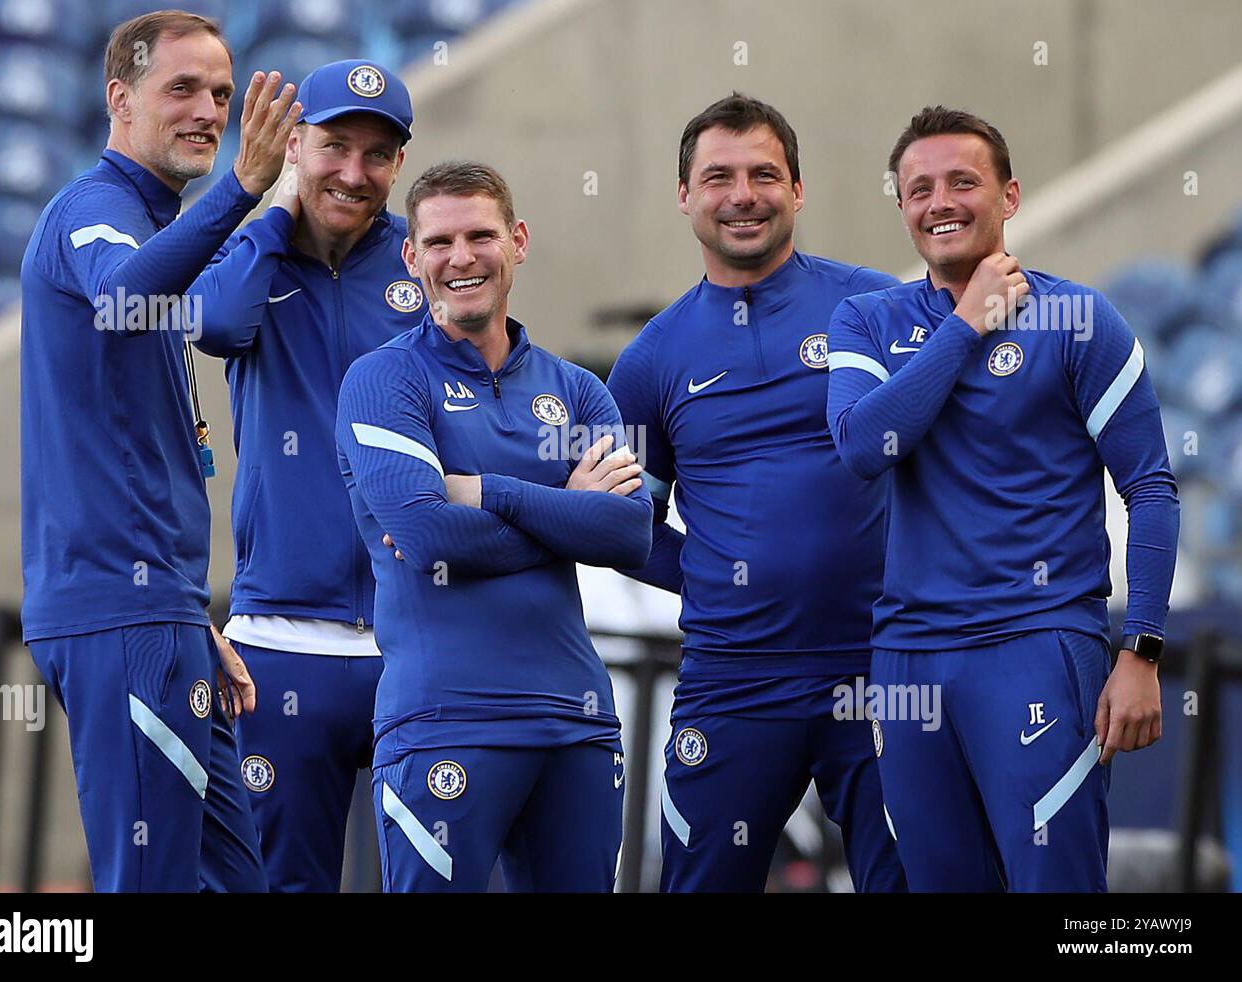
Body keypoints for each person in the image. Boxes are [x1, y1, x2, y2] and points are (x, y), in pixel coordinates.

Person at [826, 105, 1180, 891]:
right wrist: (967, 323)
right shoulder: (867, 319)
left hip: (1037, 646)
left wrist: (1143, 651)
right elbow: (860, 446)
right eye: (919, 189)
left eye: (963, 182)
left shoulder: (1078, 320)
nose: (940, 202)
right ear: (902, 206)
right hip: (909, 658)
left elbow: (1150, 488)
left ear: (1009, 196)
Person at [20, 10, 299, 891]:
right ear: (119, 99)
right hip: (120, 614)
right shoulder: (96, 210)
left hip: (160, 613)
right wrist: (243, 190)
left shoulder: (148, 225)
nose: (209, 110)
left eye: (221, 92)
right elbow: (117, 297)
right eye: (181, 88)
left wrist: (184, 612)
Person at [606, 93, 907, 893]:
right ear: (685, 195)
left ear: (798, 191)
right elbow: (623, 522)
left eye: (764, 174)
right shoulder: (650, 360)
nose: (743, 195)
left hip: (884, 668)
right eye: (719, 177)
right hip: (734, 679)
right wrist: (713, 574)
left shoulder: (878, 310)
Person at [335, 161, 653, 891]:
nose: (462, 257)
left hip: (577, 724)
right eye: (439, 241)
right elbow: (429, 537)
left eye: (481, 235)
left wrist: (491, 491)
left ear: (518, 241)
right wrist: (568, 506)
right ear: (412, 258)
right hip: (445, 722)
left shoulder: (577, 388)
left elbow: (629, 535)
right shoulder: (384, 380)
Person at [190, 59, 422, 892]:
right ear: (296, 146)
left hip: (422, 637)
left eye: (377, 154)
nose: (354, 174)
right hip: (281, 645)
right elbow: (212, 325)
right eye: (334, 147)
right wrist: (277, 202)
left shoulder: (423, 259)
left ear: (399, 164)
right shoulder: (249, 252)